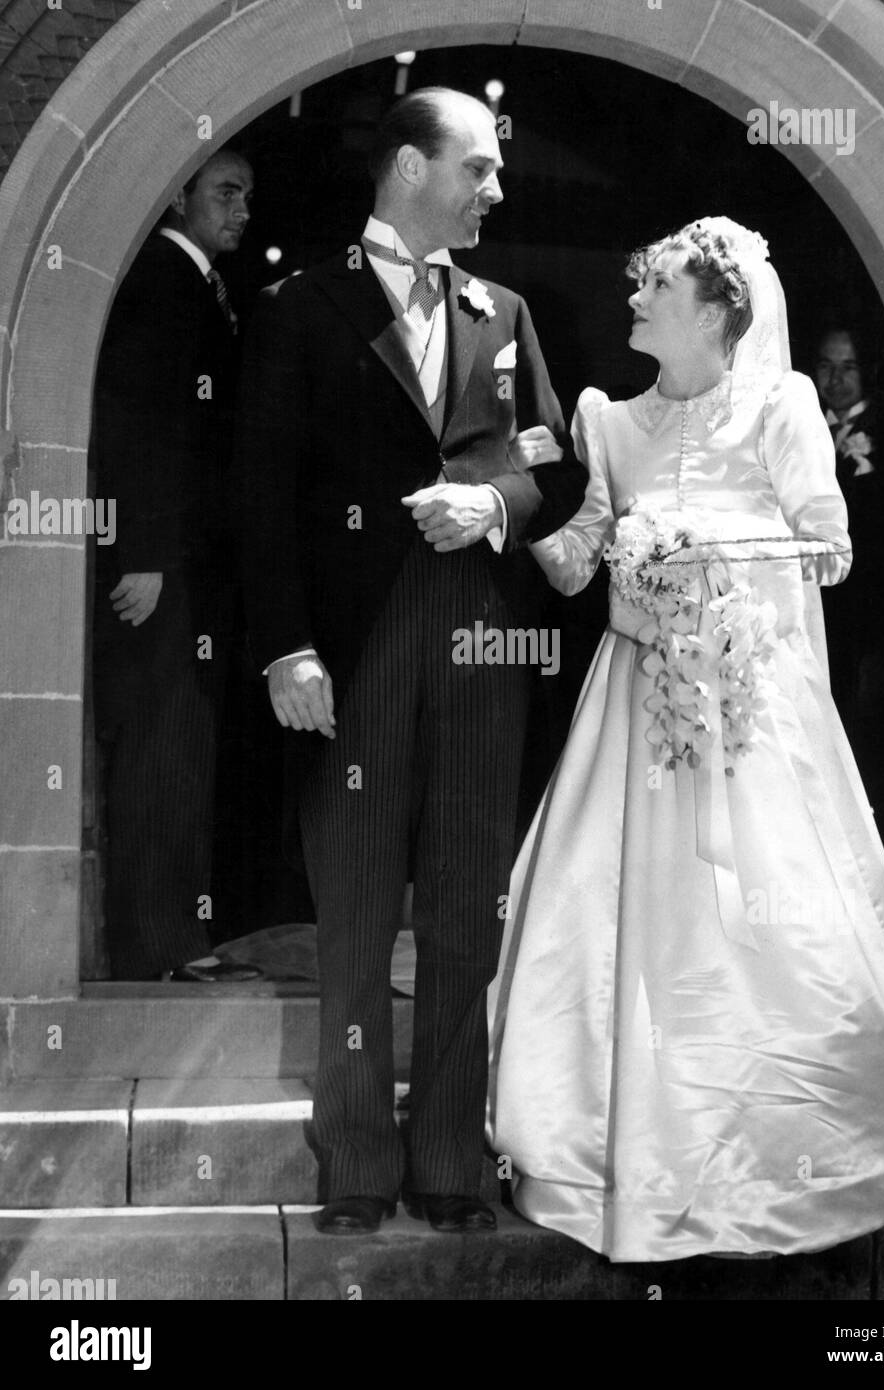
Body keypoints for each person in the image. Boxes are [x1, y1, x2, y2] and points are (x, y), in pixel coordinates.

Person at [487, 217, 884, 1262]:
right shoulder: (607, 418)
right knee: (622, 915)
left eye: (652, 288)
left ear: (711, 313)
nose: (632, 302)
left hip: (749, 707)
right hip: (637, 710)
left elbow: (828, 547)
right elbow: (579, 553)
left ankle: (764, 1142)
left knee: (762, 915)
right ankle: (611, 1137)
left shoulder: (783, 407)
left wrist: (706, 562)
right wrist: (514, 510)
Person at [236, 87, 587, 1236]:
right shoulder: (299, 309)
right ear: (406, 170)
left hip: (485, 645)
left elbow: (558, 469)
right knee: (351, 906)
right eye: (477, 168)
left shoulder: (507, 312)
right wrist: (286, 646)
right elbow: (260, 498)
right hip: (351, 652)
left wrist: (490, 498)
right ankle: (354, 1158)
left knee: (464, 908)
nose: (495, 190)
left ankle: (446, 1156)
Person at [92, 148, 262, 983]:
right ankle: (155, 945)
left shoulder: (201, 285)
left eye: (247, 197)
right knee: (158, 745)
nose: (240, 210)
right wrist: (146, 553)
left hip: (194, 564)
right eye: (225, 193)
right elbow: (140, 419)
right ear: (176, 196)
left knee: (181, 747)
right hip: (164, 564)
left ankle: (175, 939)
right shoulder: (162, 278)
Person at [814, 324, 884, 883]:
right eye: (827, 366)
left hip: (868, 614)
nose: (836, 379)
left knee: (864, 734)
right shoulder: (802, 424)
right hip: (816, 606)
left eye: (847, 368)